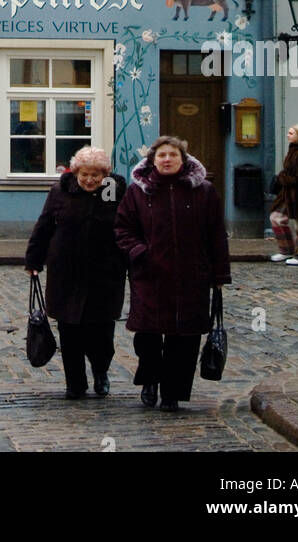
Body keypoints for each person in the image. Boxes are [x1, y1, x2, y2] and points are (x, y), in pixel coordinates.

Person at [114, 134, 231, 412]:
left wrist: (219, 274)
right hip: (150, 276)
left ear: (183, 159)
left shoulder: (204, 191)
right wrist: (140, 251)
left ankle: (173, 392)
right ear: (153, 160)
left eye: (173, 155)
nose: (167, 160)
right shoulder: (137, 191)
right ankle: (150, 380)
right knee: (148, 335)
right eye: (162, 155)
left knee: (185, 337)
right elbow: (122, 228)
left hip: (192, 277)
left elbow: (216, 234)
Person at [24, 146, 127, 400]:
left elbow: (128, 228)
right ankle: (75, 384)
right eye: (84, 175)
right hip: (66, 272)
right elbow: (44, 225)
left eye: (96, 175)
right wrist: (34, 260)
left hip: (105, 274)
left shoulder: (115, 192)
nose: (90, 180)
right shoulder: (61, 191)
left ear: (106, 175)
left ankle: (100, 371)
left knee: (101, 333)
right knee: (69, 331)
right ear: (75, 173)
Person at [270, 124, 298, 266]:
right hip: (287, 194)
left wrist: (281, 178)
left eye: (291, 133)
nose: (288, 135)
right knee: (276, 218)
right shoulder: (293, 150)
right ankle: (286, 250)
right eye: (288, 133)